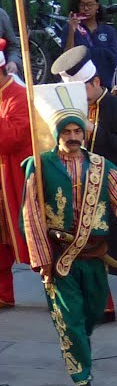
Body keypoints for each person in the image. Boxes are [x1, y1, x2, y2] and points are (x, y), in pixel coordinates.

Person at [21, 82, 117, 386]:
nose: (72, 136)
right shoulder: (39, 165)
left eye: (77, 131)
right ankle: (82, 379)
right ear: (57, 134)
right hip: (60, 259)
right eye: (66, 131)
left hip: (94, 256)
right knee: (70, 320)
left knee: (92, 313)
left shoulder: (102, 166)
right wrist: (42, 259)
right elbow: (32, 214)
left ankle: (81, 347)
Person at [51, 46, 117, 325]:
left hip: (115, 190)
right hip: (80, 191)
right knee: (88, 252)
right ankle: (101, 306)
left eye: (82, 89)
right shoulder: (70, 111)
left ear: (96, 81)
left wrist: (95, 131)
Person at [0, 66, 27, 309]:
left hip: (13, 181)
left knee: (33, 242)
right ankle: (3, 295)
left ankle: (58, 294)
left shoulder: (20, 95)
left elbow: (12, 139)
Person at [65, 0, 117, 86]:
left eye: (90, 4)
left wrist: (86, 53)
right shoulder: (70, 28)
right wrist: (72, 30)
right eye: (82, 5)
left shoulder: (108, 30)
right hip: (81, 82)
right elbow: (68, 57)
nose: (86, 8)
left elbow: (114, 57)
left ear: (97, 6)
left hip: (106, 82)